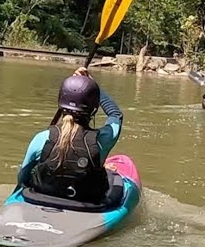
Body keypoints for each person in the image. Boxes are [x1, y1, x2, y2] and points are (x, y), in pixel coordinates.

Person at [16, 67, 124, 205]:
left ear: (60, 103)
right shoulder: (102, 140)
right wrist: (93, 85)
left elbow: (23, 177)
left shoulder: (42, 138)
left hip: (40, 199)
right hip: (86, 206)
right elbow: (115, 115)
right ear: (94, 108)